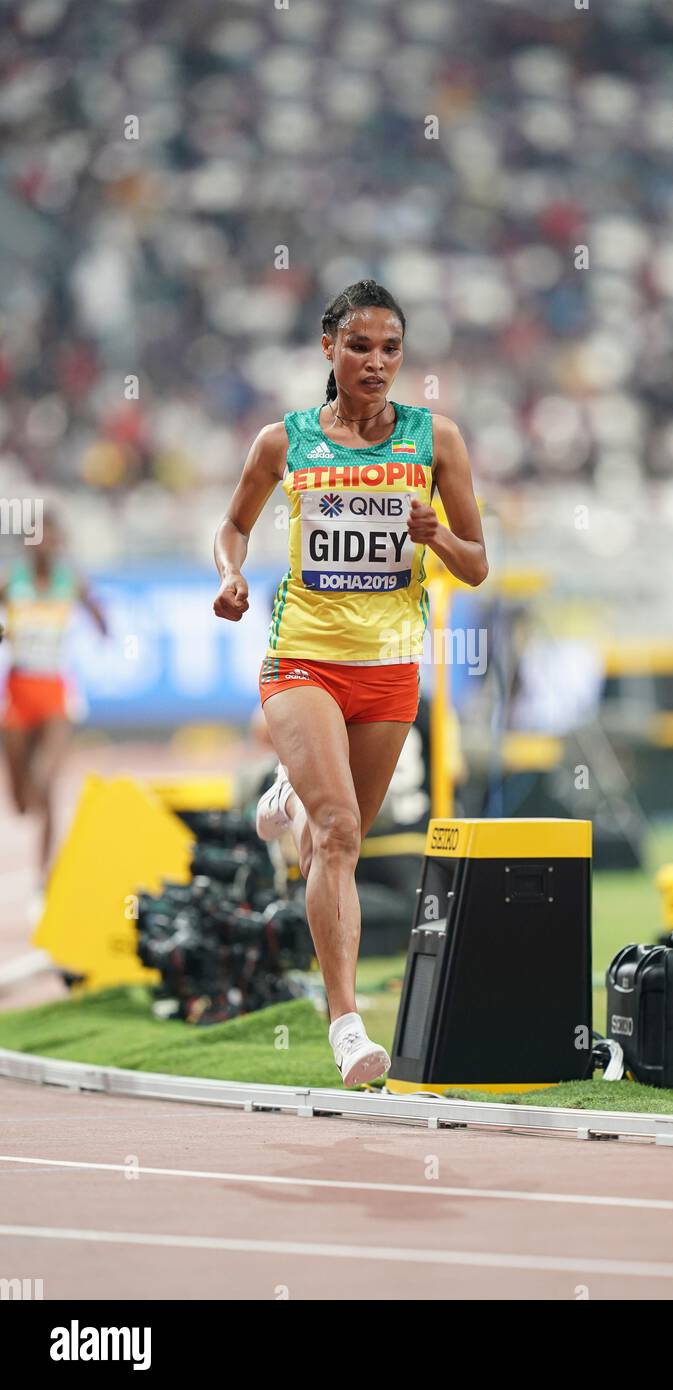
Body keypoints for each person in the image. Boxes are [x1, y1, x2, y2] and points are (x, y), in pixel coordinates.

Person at [213, 278, 487, 1086]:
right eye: (360, 347)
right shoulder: (283, 441)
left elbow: (476, 566)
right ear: (328, 349)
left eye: (391, 349)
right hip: (303, 658)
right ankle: (346, 1025)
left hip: (391, 670)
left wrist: (437, 536)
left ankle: (289, 795)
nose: (376, 362)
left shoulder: (436, 441)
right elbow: (233, 523)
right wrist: (231, 575)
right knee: (336, 833)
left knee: (342, 838)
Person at [0, 512, 108, 887]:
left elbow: (97, 611)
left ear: (59, 541)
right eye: (38, 536)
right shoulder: (10, 581)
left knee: (46, 780)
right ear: (27, 542)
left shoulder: (71, 580)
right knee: (21, 799)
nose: (44, 543)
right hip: (17, 691)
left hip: (56, 692)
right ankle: (27, 798)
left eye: (51, 536)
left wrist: (102, 626)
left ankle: (44, 878)